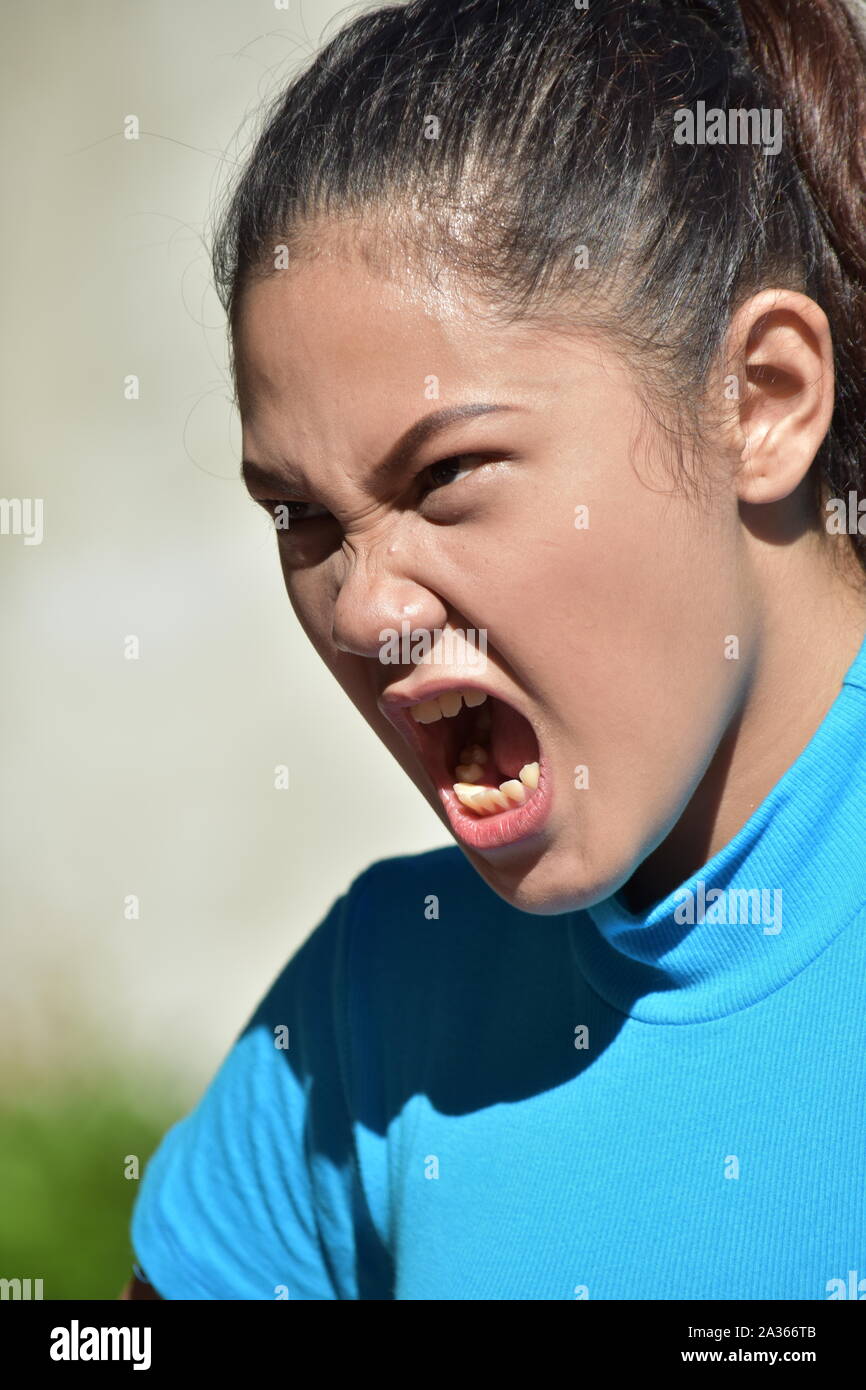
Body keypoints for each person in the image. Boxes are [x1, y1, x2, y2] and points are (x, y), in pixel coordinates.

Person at [123, 0, 866, 1299]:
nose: (359, 608)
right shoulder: (358, 1025)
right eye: (299, 515)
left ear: (760, 402)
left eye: (448, 472)